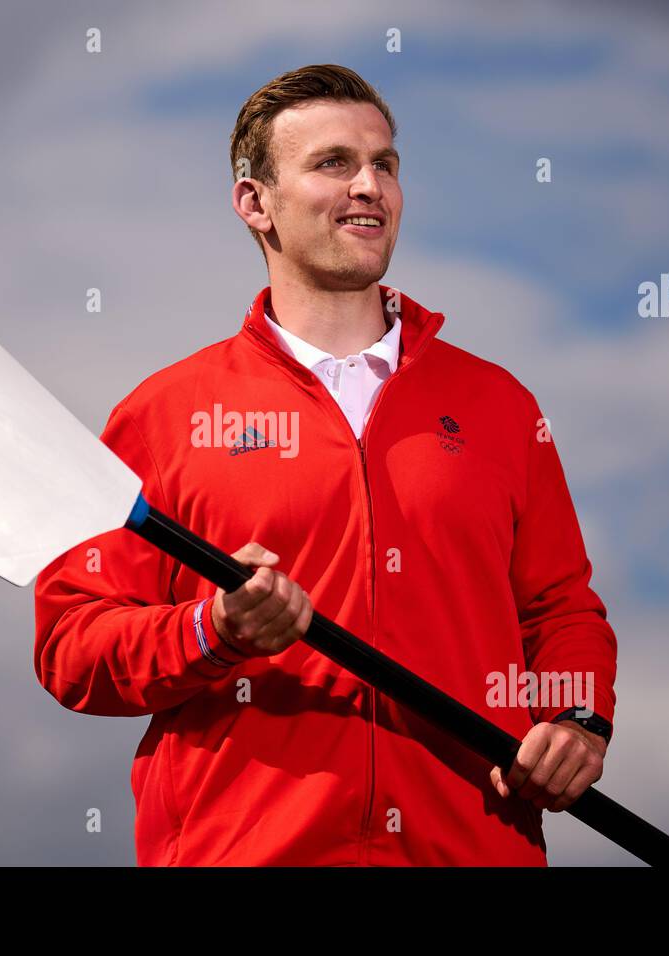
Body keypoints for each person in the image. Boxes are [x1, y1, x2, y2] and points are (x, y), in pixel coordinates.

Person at [34, 64, 617, 866]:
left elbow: (560, 610)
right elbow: (73, 644)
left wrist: (577, 720)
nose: (370, 185)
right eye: (333, 163)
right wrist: (214, 631)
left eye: (386, 164)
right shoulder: (163, 416)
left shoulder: (500, 406)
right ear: (254, 203)